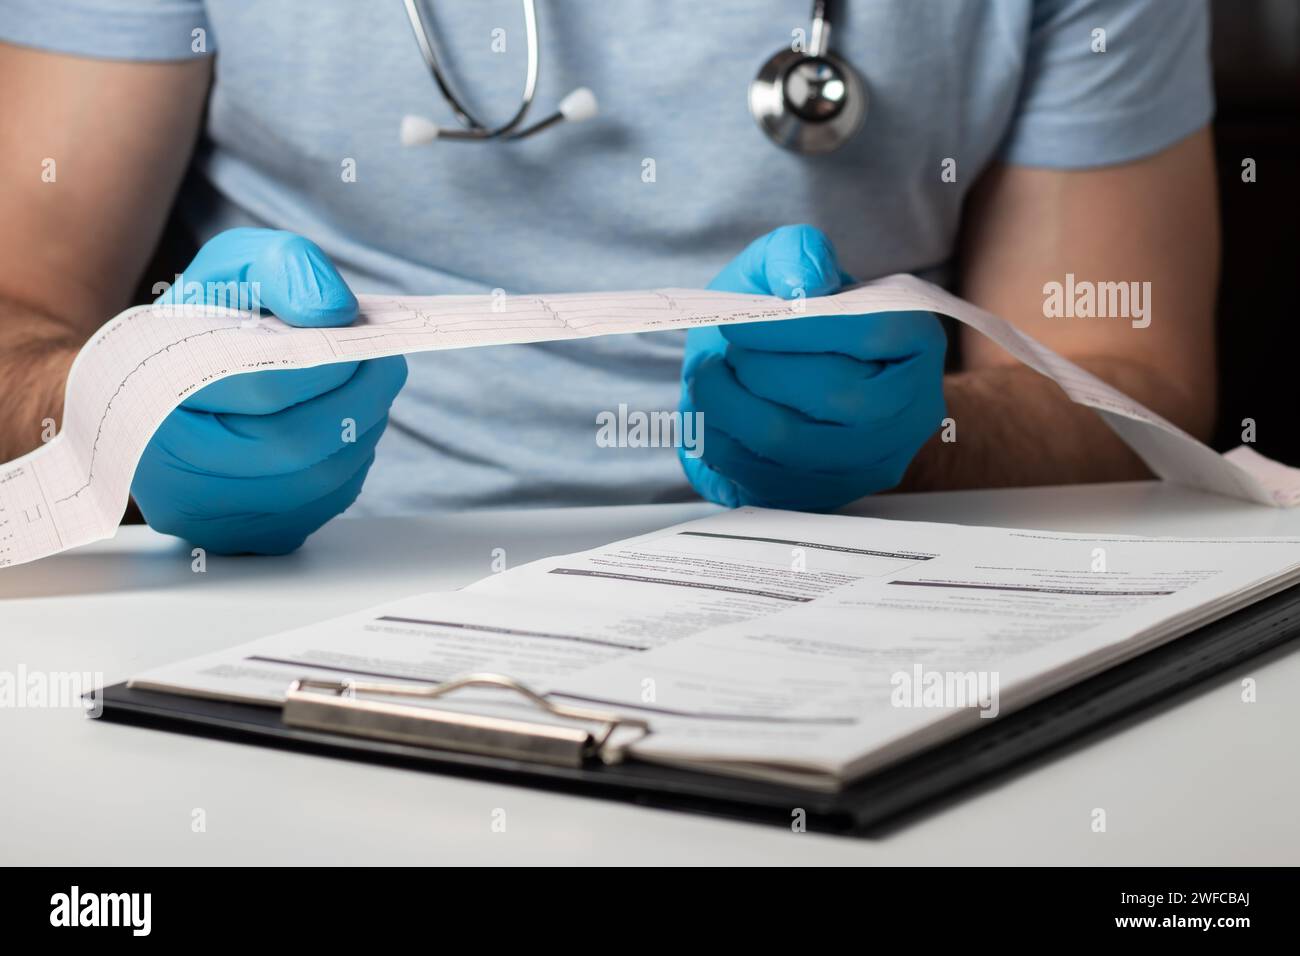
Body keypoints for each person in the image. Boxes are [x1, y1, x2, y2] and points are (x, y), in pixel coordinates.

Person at [0, 1, 1219, 554]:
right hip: (292, 594)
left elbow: (1139, 380)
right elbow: (18, 314)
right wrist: (125, 407)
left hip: (852, 598)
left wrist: (920, 434)